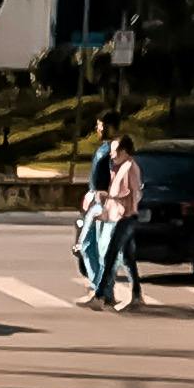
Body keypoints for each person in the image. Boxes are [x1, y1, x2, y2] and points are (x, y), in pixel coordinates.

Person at [92, 127, 146, 310]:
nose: (112, 155)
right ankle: (137, 295)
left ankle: (100, 295)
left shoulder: (130, 167)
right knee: (128, 258)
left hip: (125, 217)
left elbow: (133, 192)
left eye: (115, 151)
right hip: (119, 216)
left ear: (124, 151)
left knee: (110, 254)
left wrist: (110, 197)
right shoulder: (120, 167)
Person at [76, 120, 118, 302]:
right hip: (95, 200)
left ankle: (102, 290)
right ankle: (98, 287)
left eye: (101, 125)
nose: (98, 129)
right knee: (86, 244)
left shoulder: (112, 151)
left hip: (104, 201)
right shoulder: (103, 149)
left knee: (100, 248)